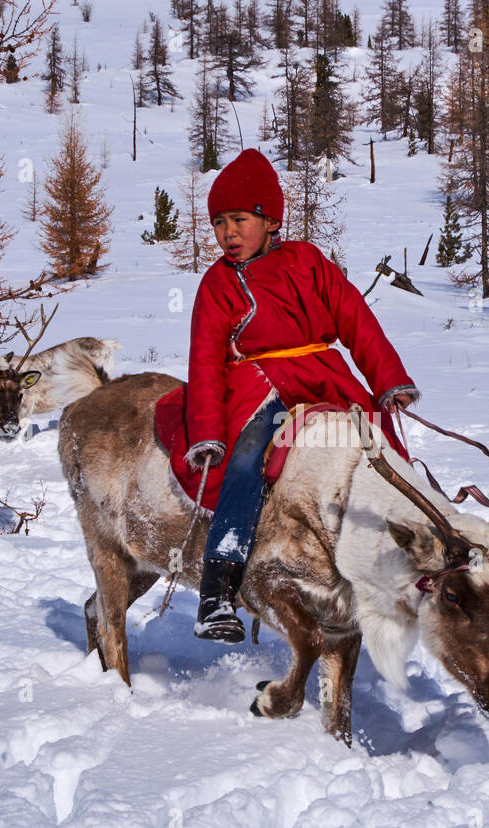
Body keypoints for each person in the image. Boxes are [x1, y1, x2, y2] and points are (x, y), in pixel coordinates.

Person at [183, 148, 420, 642]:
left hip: (325, 377)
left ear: (270, 220)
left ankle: (408, 548)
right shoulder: (218, 282)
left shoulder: (308, 261)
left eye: (240, 219)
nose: (228, 233)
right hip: (261, 389)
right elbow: (205, 359)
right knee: (247, 459)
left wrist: (388, 379)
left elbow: (356, 318)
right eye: (219, 222)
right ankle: (219, 586)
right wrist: (207, 431)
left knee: (380, 446)